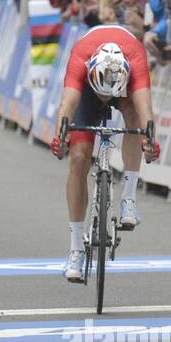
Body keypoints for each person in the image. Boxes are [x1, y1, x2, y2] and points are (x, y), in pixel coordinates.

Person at [51, 28, 159, 282]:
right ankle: (76, 248)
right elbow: (66, 106)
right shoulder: (80, 57)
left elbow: (146, 111)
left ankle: (129, 199)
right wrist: (60, 138)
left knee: (134, 117)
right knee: (79, 157)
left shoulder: (136, 59)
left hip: (124, 87)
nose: (104, 99)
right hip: (87, 88)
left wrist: (150, 142)